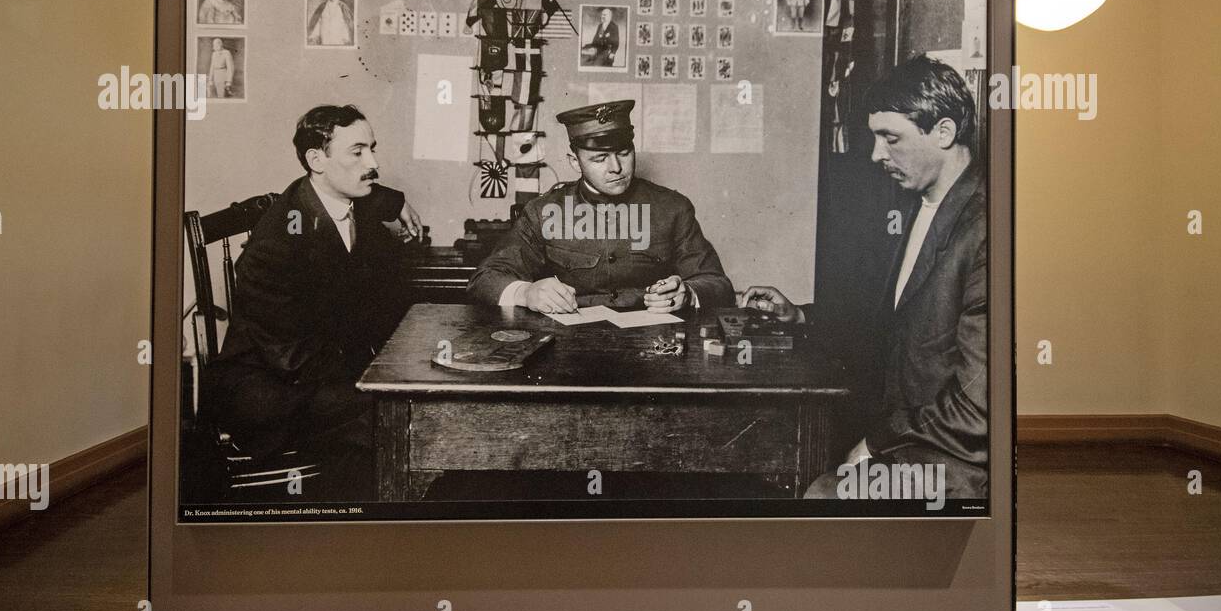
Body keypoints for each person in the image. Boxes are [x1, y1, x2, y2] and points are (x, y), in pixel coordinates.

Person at [742, 56, 988, 500]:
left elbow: (977, 407)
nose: (876, 155)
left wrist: (878, 442)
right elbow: (893, 325)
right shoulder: (916, 204)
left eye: (891, 139)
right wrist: (801, 316)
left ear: (945, 133)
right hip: (909, 436)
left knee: (820, 493)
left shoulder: (985, 230)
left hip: (954, 458)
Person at [201, 105, 423, 499]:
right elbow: (293, 358)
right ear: (316, 160)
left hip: (314, 368)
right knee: (391, 411)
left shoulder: (332, 196)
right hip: (268, 385)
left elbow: (368, 192)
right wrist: (378, 372)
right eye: (358, 152)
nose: (373, 162)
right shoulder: (275, 244)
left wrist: (393, 200)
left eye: (372, 148)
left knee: (402, 403)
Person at [468, 100, 734, 313]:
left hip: (652, 343)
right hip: (569, 346)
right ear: (575, 161)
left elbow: (718, 284)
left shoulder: (673, 208)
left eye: (624, 153)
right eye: (599, 158)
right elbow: (485, 279)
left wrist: (687, 294)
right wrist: (526, 293)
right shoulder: (543, 211)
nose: (616, 168)